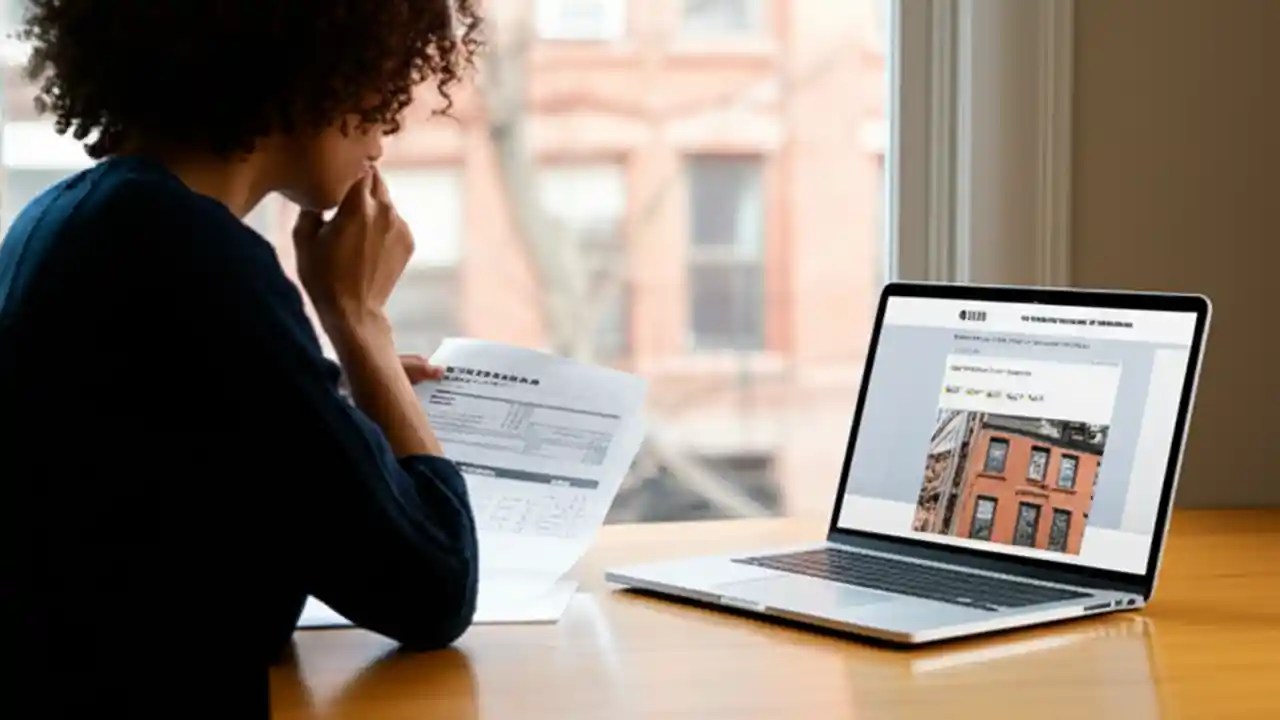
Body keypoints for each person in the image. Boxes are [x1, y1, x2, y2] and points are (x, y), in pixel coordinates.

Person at [0, 0, 483, 714]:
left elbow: (198, 461)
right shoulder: (192, 255)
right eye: (383, 84)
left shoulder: (70, 216)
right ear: (313, 66)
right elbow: (433, 588)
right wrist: (360, 322)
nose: (384, 133)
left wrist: (336, 405)